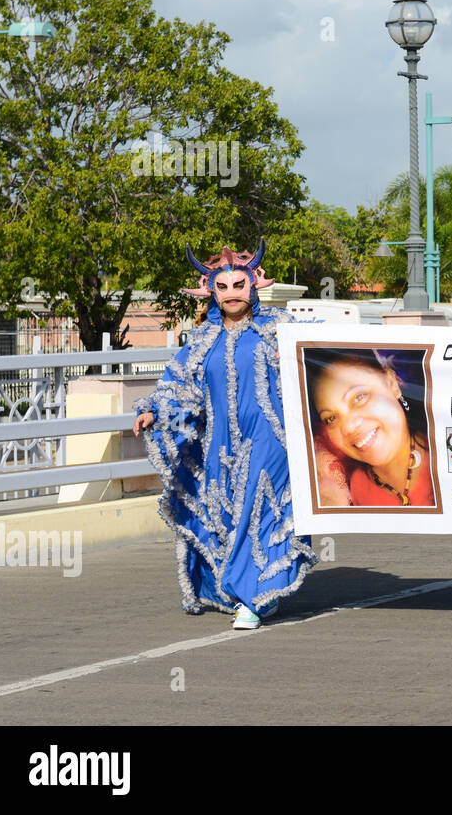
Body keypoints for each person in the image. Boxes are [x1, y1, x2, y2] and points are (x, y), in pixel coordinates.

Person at [133, 243, 315, 629]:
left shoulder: (280, 329)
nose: (232, 292)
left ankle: (251, 601)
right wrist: (152, 410)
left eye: (239, 284)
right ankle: (261, 589)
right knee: (229, 516)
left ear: (253, 286)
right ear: (212, 291)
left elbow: (322, 357)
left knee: (260, 510)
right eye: (223, 286)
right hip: (220, 445)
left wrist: (296, 356)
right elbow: (179, 386)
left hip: (272, 440)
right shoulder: (202, 340)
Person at [304, 348, 435, 507]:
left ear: (391, 383)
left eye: (359, 397)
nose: (349, 427)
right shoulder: (354, 489)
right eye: (331, 418)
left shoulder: (451, 455)